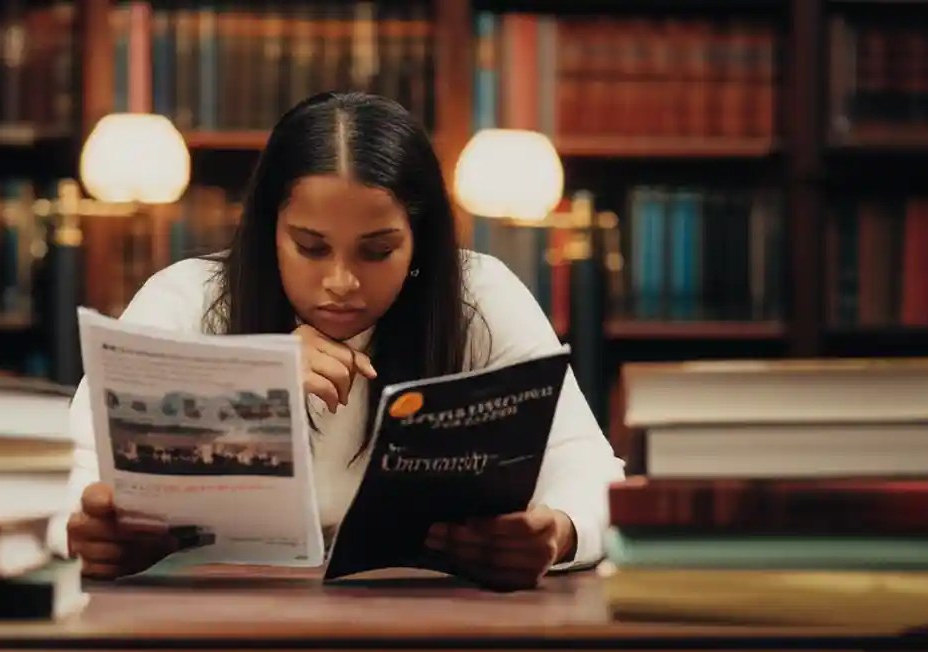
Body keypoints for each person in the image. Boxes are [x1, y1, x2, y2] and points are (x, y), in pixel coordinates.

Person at [51, 91, 624, 591]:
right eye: (310, 246)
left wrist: (559, 533)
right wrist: (87, 531)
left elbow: (592, 472)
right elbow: (66, 480)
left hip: (436, 632)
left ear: (419, 242)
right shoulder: (185, 301)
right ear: (268, 231)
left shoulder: (479, 298)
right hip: (208, 626)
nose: (341, 283)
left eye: (377, 251)